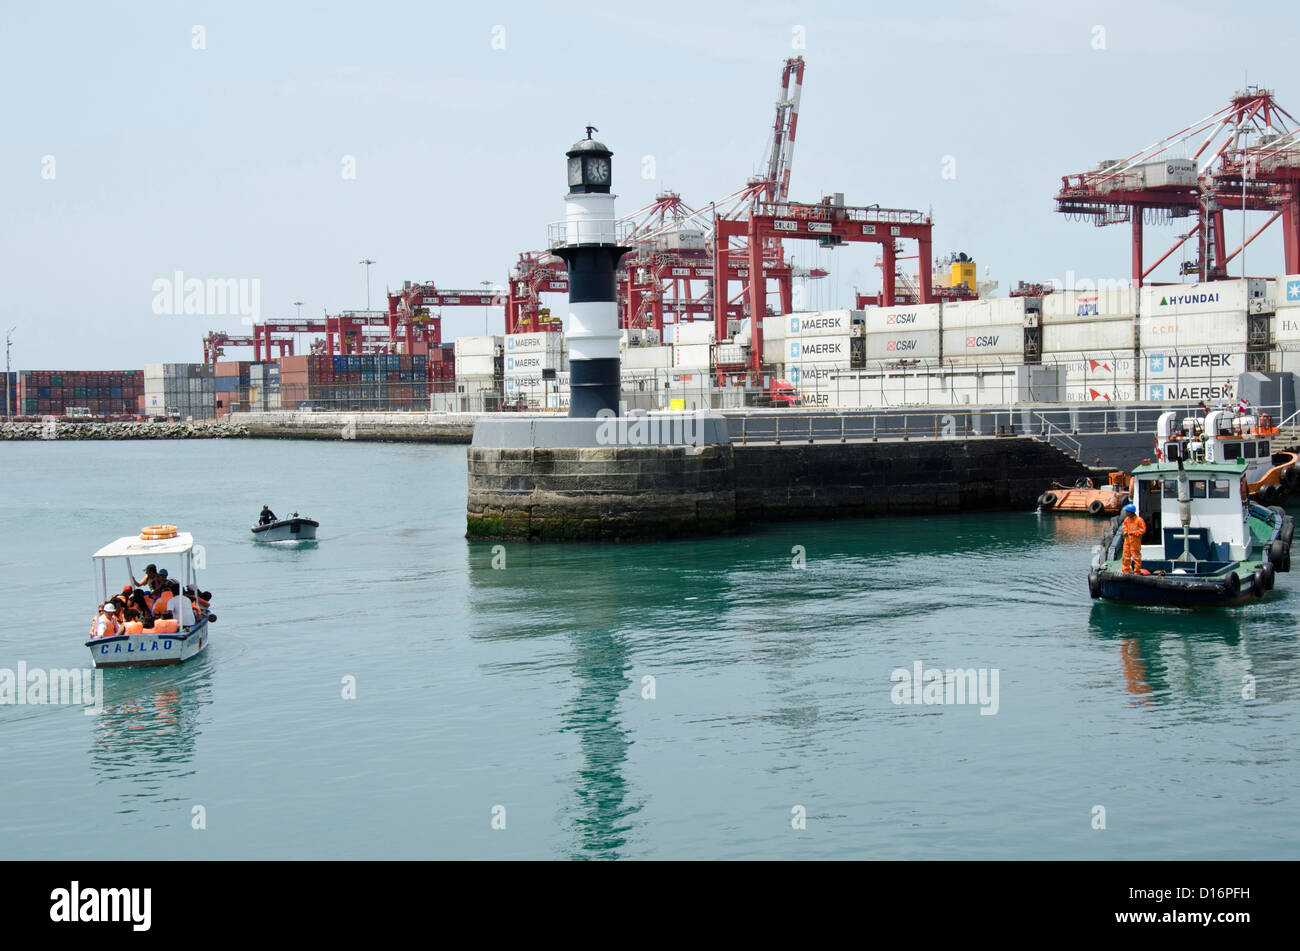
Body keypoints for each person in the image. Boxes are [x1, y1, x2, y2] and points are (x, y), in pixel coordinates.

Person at [1121, 503, 1146, 575]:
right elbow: (1124, 526)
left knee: (1136, 558)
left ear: (1131, 512)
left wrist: (1134, 533)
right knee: (1125, 557)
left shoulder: (1139, 520)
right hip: (1127, 541)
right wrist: (1125, 532)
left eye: (1127, 511)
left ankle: (1137, 572)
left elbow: (1143, 530)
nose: (1126, 513)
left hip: (1135, 542)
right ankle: (1125, 571)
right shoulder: (1127, 519)